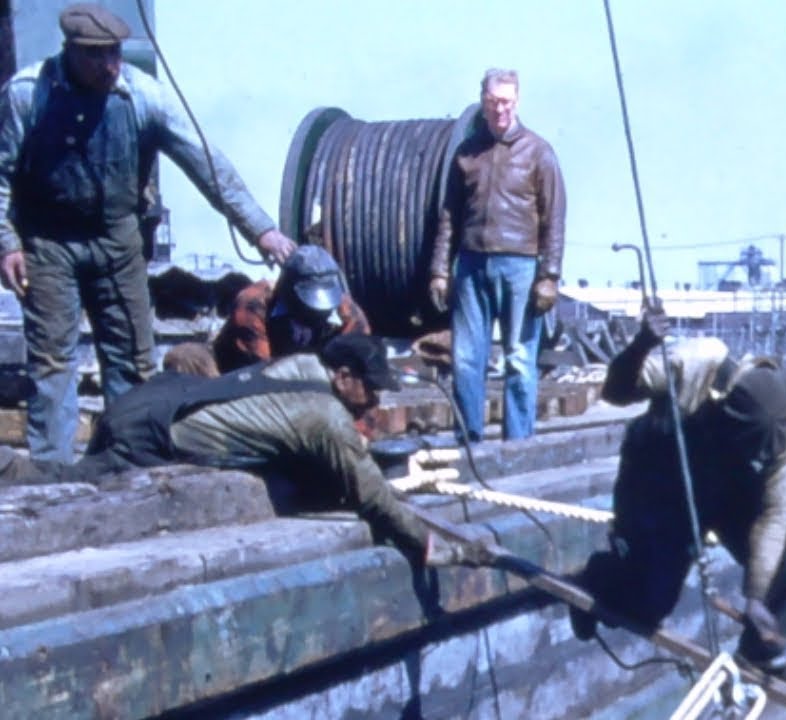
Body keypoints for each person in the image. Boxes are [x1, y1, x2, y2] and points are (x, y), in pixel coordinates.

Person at [0, 4, 296, 462]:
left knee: (132, 363)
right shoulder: (27, 95)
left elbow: (207, 164)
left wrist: (261, 231)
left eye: (115, 52)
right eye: (97, 56)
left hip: (118, 240)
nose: (110, 65)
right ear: (71, 52)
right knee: (53, 363)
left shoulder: (142, 97)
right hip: (49, 242)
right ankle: (51, 476)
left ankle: (128, 463)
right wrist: (7, 243)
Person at [0, 334, 452, 566]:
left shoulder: (301, 364)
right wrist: (443, 548)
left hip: (154, 398)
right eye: (370, 389)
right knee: (71, 485)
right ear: (343, 377)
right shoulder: (326, 417)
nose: (375, 401)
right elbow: (375, 499)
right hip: (151, 433)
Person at [571, 309, 786, 675]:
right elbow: (616, 391)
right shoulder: (696, 361)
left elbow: (776, 515)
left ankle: (763, 648)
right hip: (663, 480)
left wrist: (754, 596)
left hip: (732, 494)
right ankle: (596, 576)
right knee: (650, 605)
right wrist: (642, 344)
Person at [428, 68, 566, 442]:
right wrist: (440, 270)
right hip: (472, 266)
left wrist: (550, 276)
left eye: (505, 101)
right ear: (483, 102)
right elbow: (449, 216)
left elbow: (555, 217)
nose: (499, 110)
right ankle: (468, 441)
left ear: (517, 100)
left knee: (519, 360)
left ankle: (518, 443)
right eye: (492, 102)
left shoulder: (539, 153)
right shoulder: (467, 153)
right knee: (466, 359)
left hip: (521, 267)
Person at [212, 244, 370, 373]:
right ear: (287, 290)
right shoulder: (253, 305)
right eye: (308, 307)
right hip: (240, 373)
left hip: (309, 372)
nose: (315, 315)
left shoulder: (346, 311)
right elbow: (265, 373)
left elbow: (361, 355)